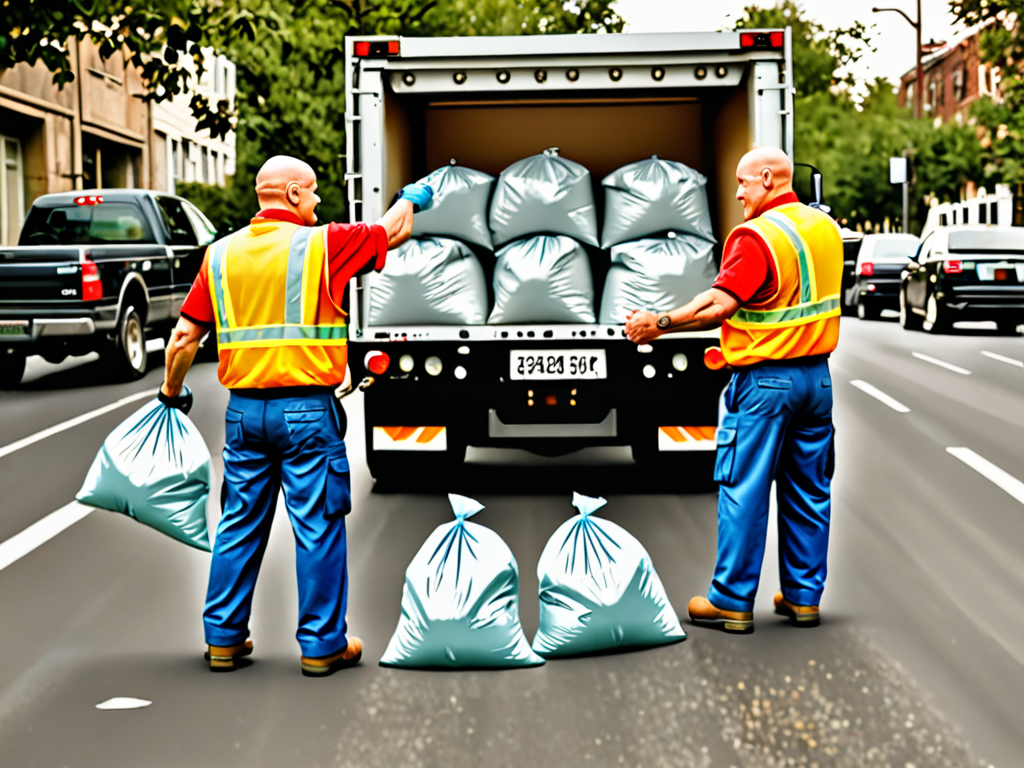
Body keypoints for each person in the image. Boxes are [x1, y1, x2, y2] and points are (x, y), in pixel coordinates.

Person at [159, 155, 432, 674]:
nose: (318, 202)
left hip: (243, 416)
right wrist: (412, 198)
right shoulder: (321, 245)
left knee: (239, 523)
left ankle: (223, 640)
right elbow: (392, 231)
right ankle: (322, 645)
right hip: (307, 414)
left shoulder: (219, 255)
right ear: (289, 195)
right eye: (311, 193)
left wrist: (171, 393)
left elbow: (184, 337)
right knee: (318, 526)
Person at [625, 147, 842, 634]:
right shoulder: (824, 229)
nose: (739, 192)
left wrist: (660, 323)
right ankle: (804, 597)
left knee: (743, 489)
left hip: (766, 384)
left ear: (768, 178)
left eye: (744, 182)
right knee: (809, 490)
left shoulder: (756, 236)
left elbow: (719, 305)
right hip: (817, 381)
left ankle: (731, 601)